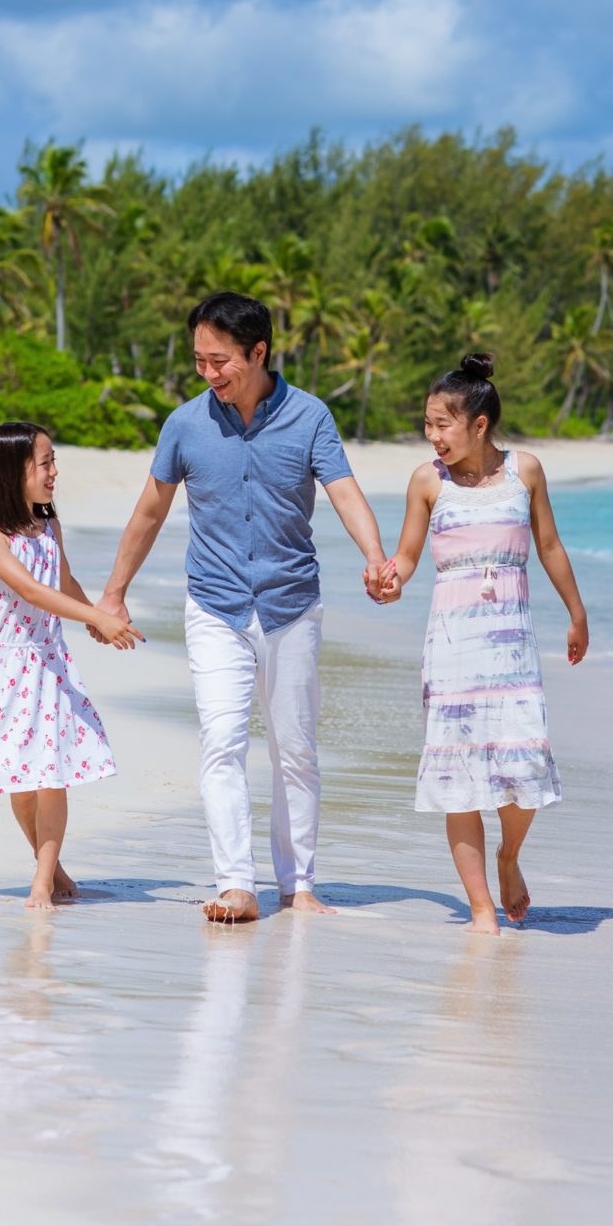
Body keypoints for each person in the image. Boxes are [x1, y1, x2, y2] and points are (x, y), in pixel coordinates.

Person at [95, 292, 389, 924]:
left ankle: (300, 885)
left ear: (258, 353)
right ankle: (236, 883)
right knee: (222, 741)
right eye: (199, 361)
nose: (208, 374)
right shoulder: (184, 425)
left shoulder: (310, 417)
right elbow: (150, 511)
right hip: (215, 605)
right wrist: (114, 592)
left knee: (295, 747)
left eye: (220, 361)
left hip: (291, 605)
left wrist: (375, 556)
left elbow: (344, 491)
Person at [378, 353, 590, 934]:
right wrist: (388, 578)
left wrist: (577, 613)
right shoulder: (428, 481)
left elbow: (548, 545)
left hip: (512, 646)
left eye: (442, 424)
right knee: (458, 778)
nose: (432, 437)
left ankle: (509, 856)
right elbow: (409, 557)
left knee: (523, 766)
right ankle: (479, 909)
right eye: (427, 424)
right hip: (451, 646)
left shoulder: (526, 471)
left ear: (479, 424)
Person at [0, 420, 142, 912]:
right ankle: (51, 865)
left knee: (51, 774)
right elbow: (32, 591)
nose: (55, 471)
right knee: (20, 781)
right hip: (7, 670)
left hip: (49, 665)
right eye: (46, 462)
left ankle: (41, 882)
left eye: (54, 460)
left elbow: (60, 581)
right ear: (13, 471)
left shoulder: (49, 525)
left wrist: (95, 621)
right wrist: (96, 615)